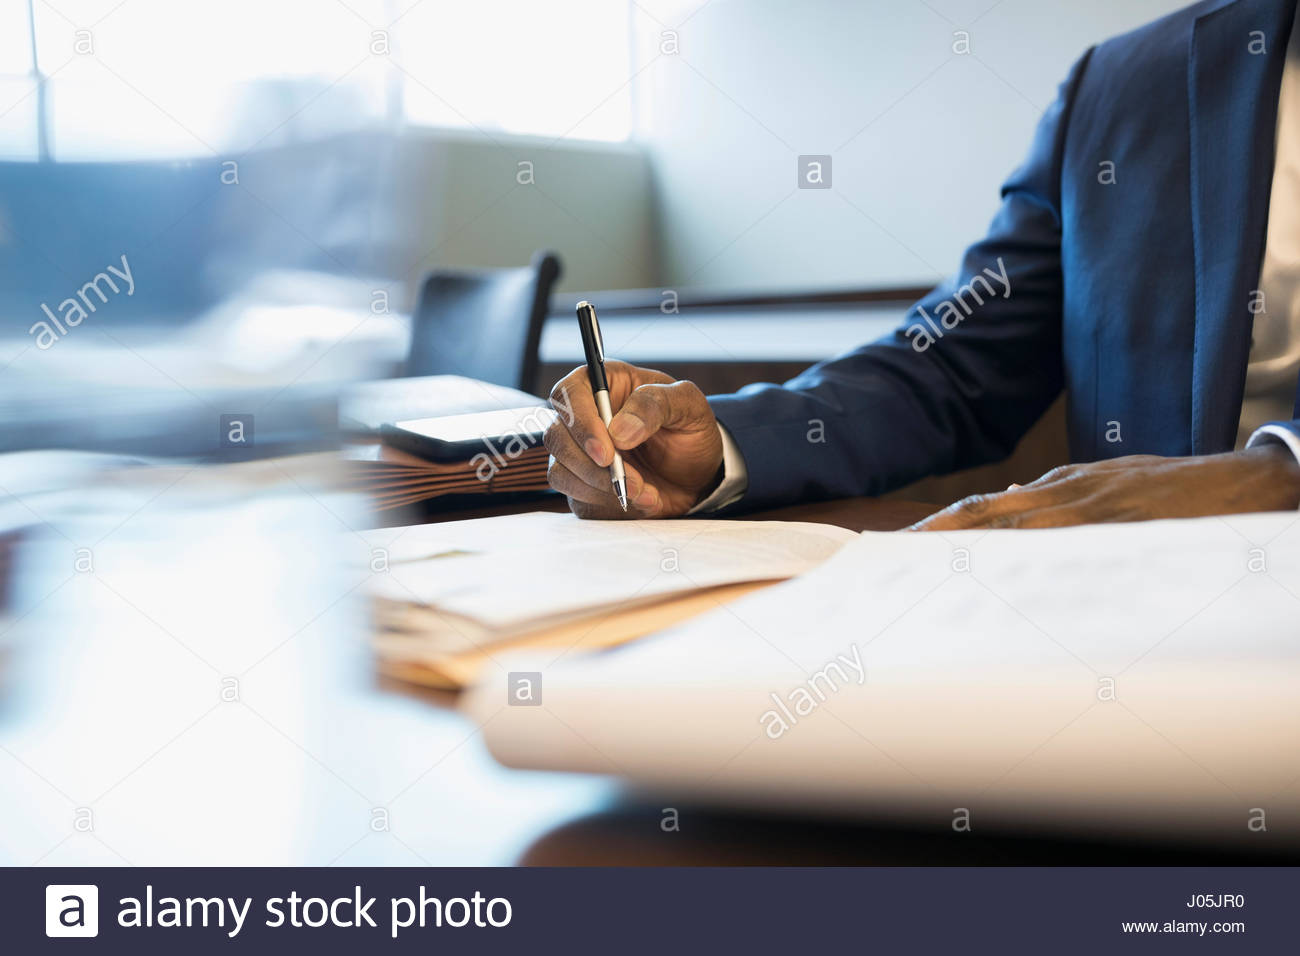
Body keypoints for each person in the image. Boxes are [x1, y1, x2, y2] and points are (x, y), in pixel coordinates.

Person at [545, 0, 1300, 529]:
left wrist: (1279, 475)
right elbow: (953, 360)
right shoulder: (1125, 86)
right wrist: (721, 451)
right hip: (1132, 637)